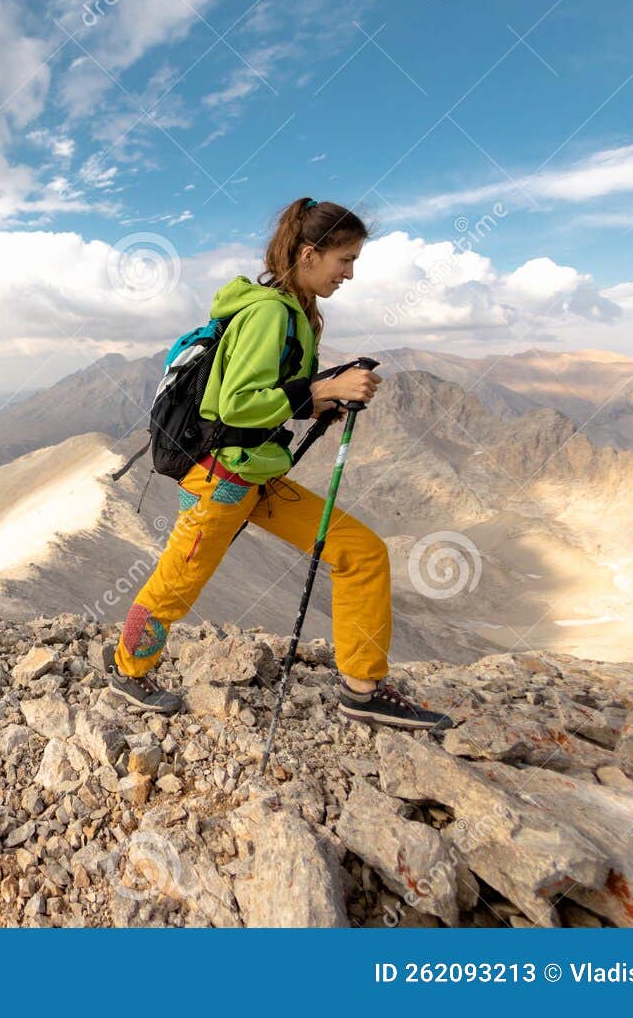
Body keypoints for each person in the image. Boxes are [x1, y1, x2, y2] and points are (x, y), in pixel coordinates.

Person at [106, 196, 454, 731]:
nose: (350, 274)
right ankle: (129, 669)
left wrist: (319, 399)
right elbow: (235, 404)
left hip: (258, 474)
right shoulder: (270, 312)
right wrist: (315, 392)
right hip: (221, 477)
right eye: (345, 261)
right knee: (180, 578)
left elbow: (272, 398)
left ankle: (363, 689)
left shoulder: (296, 313)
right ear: (311, 254)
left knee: (360, 551)